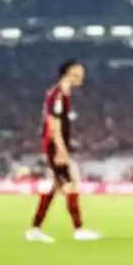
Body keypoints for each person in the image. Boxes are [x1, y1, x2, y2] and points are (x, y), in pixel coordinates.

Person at [25, 60, 101, 243]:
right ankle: (79, 229)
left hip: (55, 145)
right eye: (80, 72)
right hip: (54, 146)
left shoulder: (62, 94)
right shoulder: (58, 95)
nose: (82, 76)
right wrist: (61, 150)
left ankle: (35, 228)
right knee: (71, 185)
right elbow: (54, 125)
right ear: (70, 73)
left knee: (56, 187)